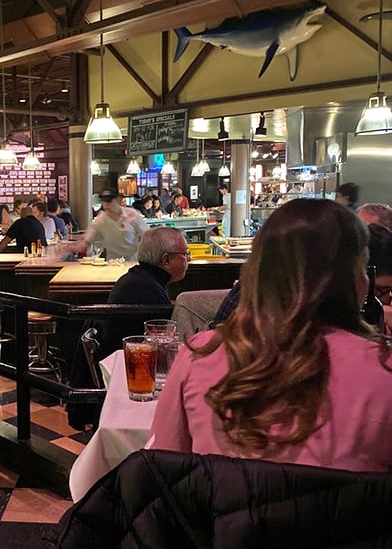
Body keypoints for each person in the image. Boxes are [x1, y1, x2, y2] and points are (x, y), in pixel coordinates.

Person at [148, 199, 392, 472]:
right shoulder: (384, 373)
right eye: (362, 266)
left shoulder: (199, 355)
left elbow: (163, 469)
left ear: (256, 271)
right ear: (352, 278)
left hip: (218, 514)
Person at [100, 227, 189, 355]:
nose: (188, 259)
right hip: (125, 364)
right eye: (185, 254)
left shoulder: (139, 278)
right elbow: (164, 349)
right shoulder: (149, 291)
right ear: (166, 260)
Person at [68, 188, 147, 261]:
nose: (106, 204)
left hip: (133, 262)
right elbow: (85, 243)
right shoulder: (100, 221)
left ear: (118, 200)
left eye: (109, 201)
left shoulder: (132, 214)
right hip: (112, 263)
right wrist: (66, 248)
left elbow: (147, 235)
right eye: (103, 201)